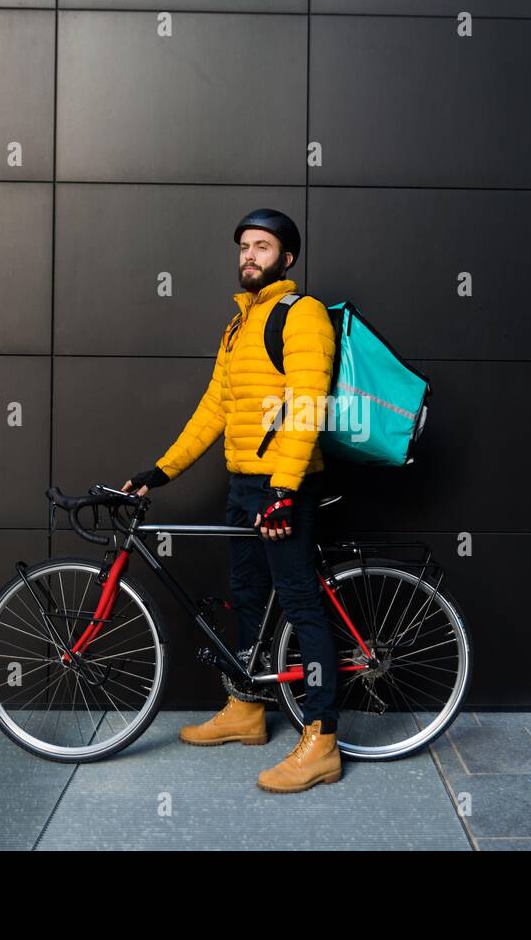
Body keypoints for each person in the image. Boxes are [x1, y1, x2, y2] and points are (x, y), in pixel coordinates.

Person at [122, 208, 342, 793]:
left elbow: (306, 405)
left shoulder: (304, 315)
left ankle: (322, 739)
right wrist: (160, 471)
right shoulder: (238, 326)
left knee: (299, 603)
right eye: (244, 245)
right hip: (245, 484)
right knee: (247, 594)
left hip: (284, 485)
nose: (249, 255)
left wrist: (284, 492)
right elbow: (214, 411)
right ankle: (246, 710)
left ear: (286, 258)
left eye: (263, 246)